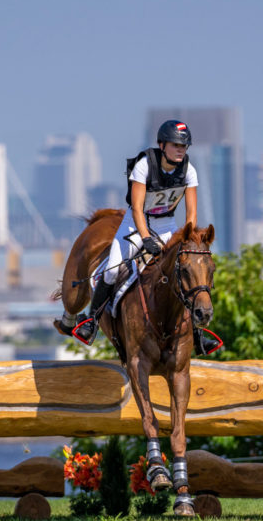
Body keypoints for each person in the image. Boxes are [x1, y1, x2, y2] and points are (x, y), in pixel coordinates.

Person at [73, 119, 220, 355]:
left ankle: (196, 333)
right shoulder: (144, 166)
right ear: (162, 145)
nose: (181, 150)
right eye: (176, 145)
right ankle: (91, 322)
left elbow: (191, 211)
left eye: (184, 146)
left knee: (184, 271)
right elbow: (138, 208)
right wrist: (145, 238)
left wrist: (189, 238)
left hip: (167, 224)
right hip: (134, 224)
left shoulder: (189, 171)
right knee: (112, 270)